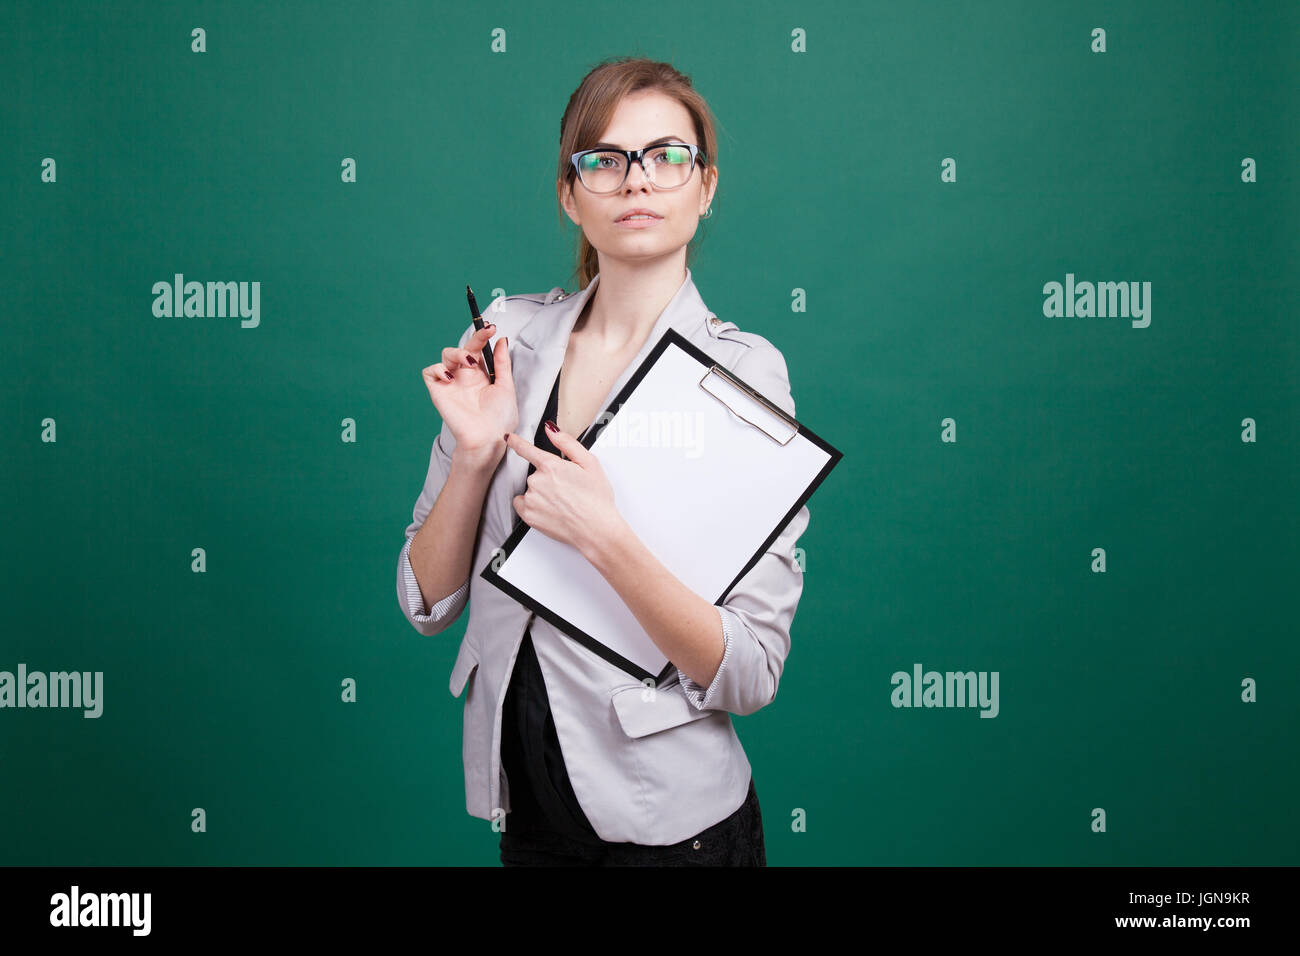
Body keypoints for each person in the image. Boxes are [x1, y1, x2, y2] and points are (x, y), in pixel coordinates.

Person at [397, 56, 810, 866]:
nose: (637, 183)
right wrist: (476, 455)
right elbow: (425, 601)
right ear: (569, 192)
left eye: (667, 157)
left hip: (673, 833)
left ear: (706, 186)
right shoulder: (511, 341)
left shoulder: (742, 380)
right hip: (527, 815)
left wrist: (605, 538)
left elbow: (752, 672)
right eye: (605, 161)